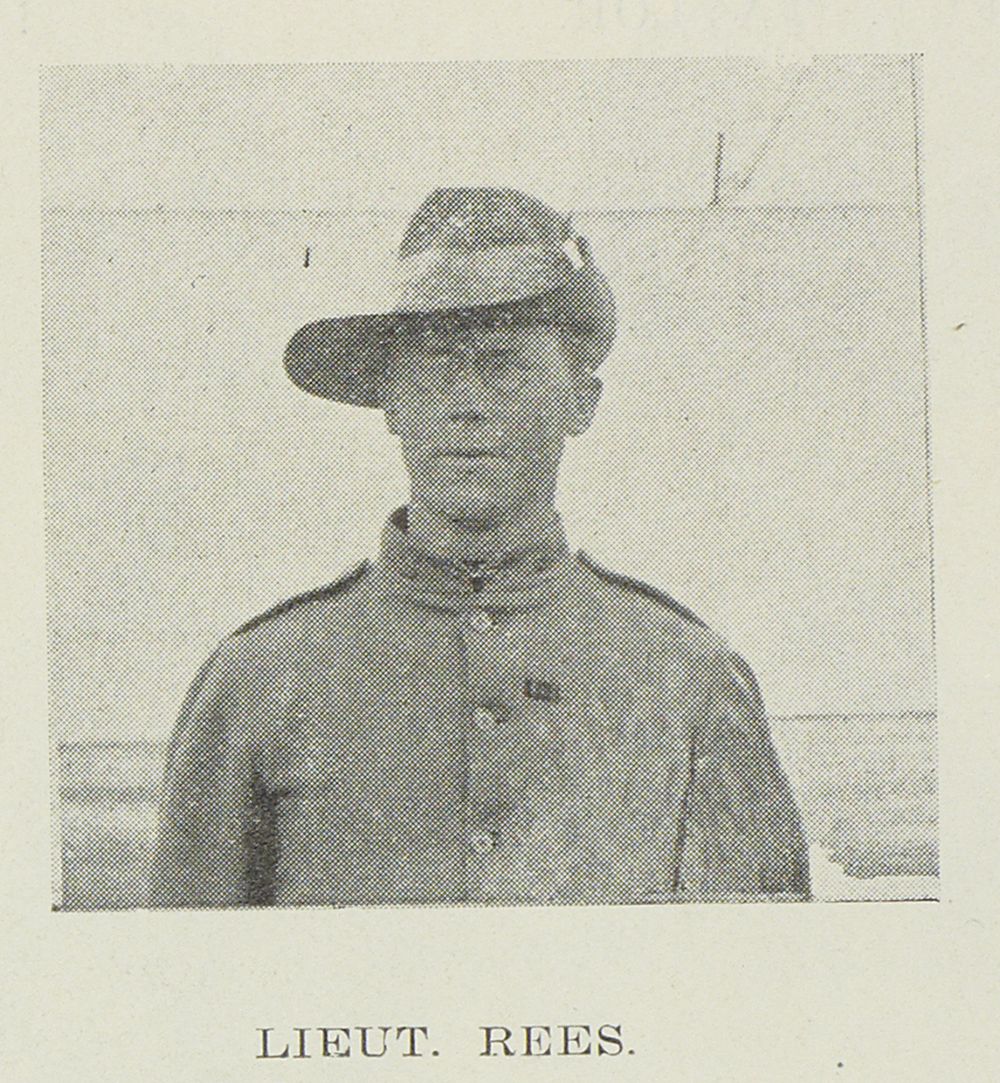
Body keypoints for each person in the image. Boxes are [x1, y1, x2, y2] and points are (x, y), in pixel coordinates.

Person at [148, 186, 810, 907]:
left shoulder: (690, 680)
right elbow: (189, 994)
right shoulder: (256, 680)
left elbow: (752, 993)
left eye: (504, 365)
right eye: (434, 367)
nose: (467, 401)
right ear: (392, 404)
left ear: (580, 403)